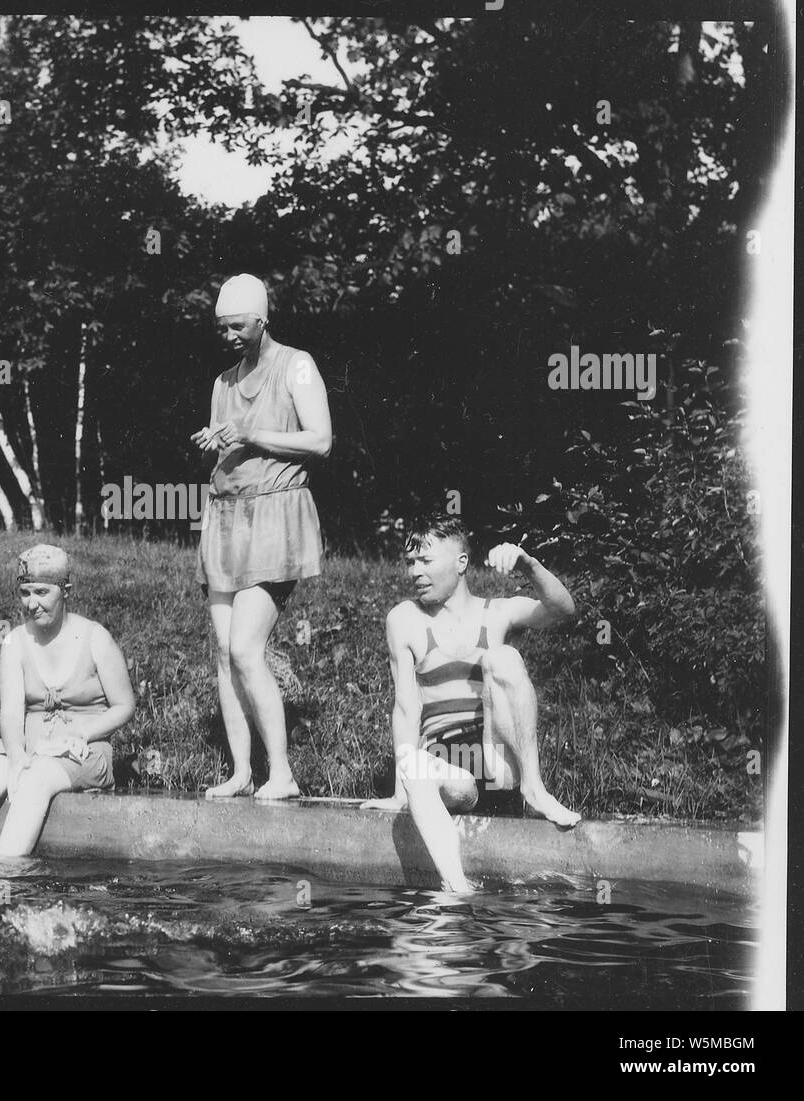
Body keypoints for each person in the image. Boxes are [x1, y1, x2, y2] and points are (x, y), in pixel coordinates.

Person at [360, 516, 581, 892]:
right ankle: (458, 890)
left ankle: (533, 788)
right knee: (413, 763)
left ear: (461, 563)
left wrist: (528, 564)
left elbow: (563, 610)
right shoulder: (404, 619)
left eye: (426, 561)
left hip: (494, 758)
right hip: (448, 771)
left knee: (504, 658)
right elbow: (405, 706)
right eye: (411, 562)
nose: (415, 572)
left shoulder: (495, 612)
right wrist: (401, 789)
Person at [191, 274, 332, 800]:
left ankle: (283, 775)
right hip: (225, 518)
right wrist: (213, 441)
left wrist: (249, 433)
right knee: (225, 653)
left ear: (262, 319)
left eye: (236, 326)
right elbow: (226, 445)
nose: (227, 335)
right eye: (220, 327)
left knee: (248, 648)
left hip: (276, 516)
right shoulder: (223, 382)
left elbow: (320, 441)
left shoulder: (296, 364)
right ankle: (241, 772)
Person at [0, 544, 135, 861]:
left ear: (65, 590)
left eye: (42, 592)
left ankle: (7, 875)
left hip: (83, 749)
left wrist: (83, 734)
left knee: (36, 778)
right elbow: (11, 713)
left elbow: (124, 706)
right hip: (27, 745)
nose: (33, 603)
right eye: (25, 593)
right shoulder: (14, 642)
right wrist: (14, 754)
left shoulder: (95, 638)